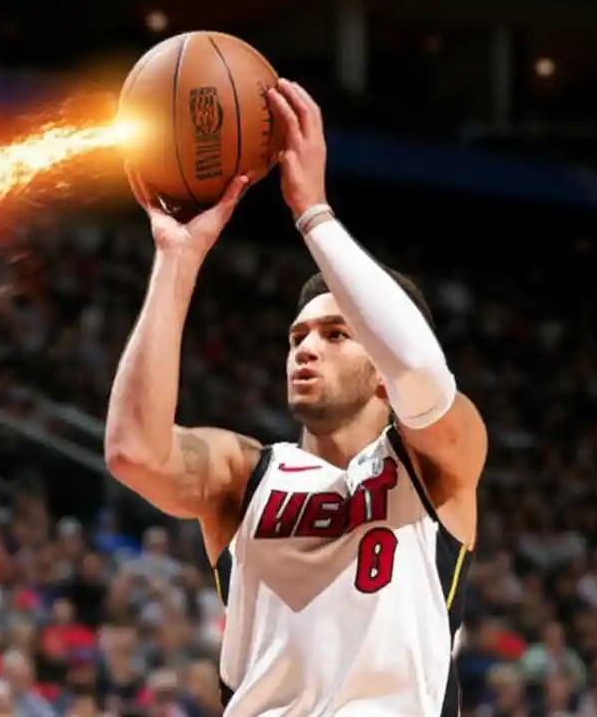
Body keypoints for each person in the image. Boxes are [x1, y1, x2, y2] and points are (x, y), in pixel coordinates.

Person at [105, 78, 488, 716]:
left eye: (337, 334)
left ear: (381, 370)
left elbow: (422, 373)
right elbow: (132, 452)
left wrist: (314, 214)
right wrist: (176, 260)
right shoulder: (244, 473)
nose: (306, 348)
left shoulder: (436, 467)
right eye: (297, 336)